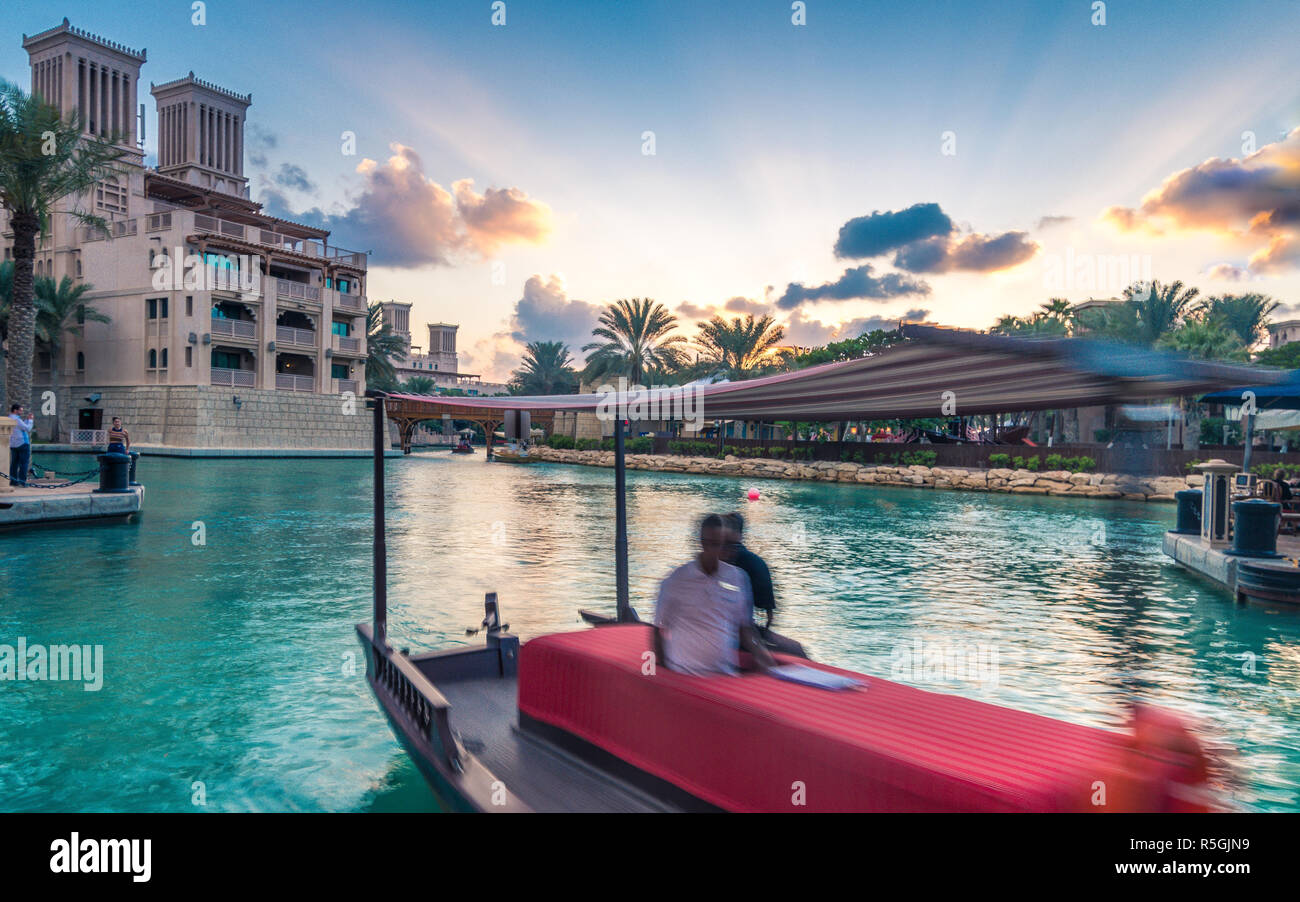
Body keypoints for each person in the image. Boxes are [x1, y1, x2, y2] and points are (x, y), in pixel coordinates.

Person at [652, 514, 777, 676]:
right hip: (683, 673)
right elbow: (659, 630)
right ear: (703, 543)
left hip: (724, 674)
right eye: (718, 545)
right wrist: (665, 674)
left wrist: (763, 656)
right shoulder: (676, 580)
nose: (726, 551)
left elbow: (745, 629)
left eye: (731, 545)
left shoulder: (739, 578)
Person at [723, 512, 807, 657]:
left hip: (724, 629)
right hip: (737, 633)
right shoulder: (755, 562)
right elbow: (768, 617)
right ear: (741, 533)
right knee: (797, 650)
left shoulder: (713, 561)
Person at [8, 403, 33, 487]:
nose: (22, 412)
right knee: (24, 463)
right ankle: (22, 482)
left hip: (13, 444)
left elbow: (21, 427)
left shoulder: (9, 418)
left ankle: (13, 481)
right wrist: (30, 420)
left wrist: (26, 420)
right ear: (15, 410)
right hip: (22, 443)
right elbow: (27, 428)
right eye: (20, 410)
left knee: (14, 464)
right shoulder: (17, 419)